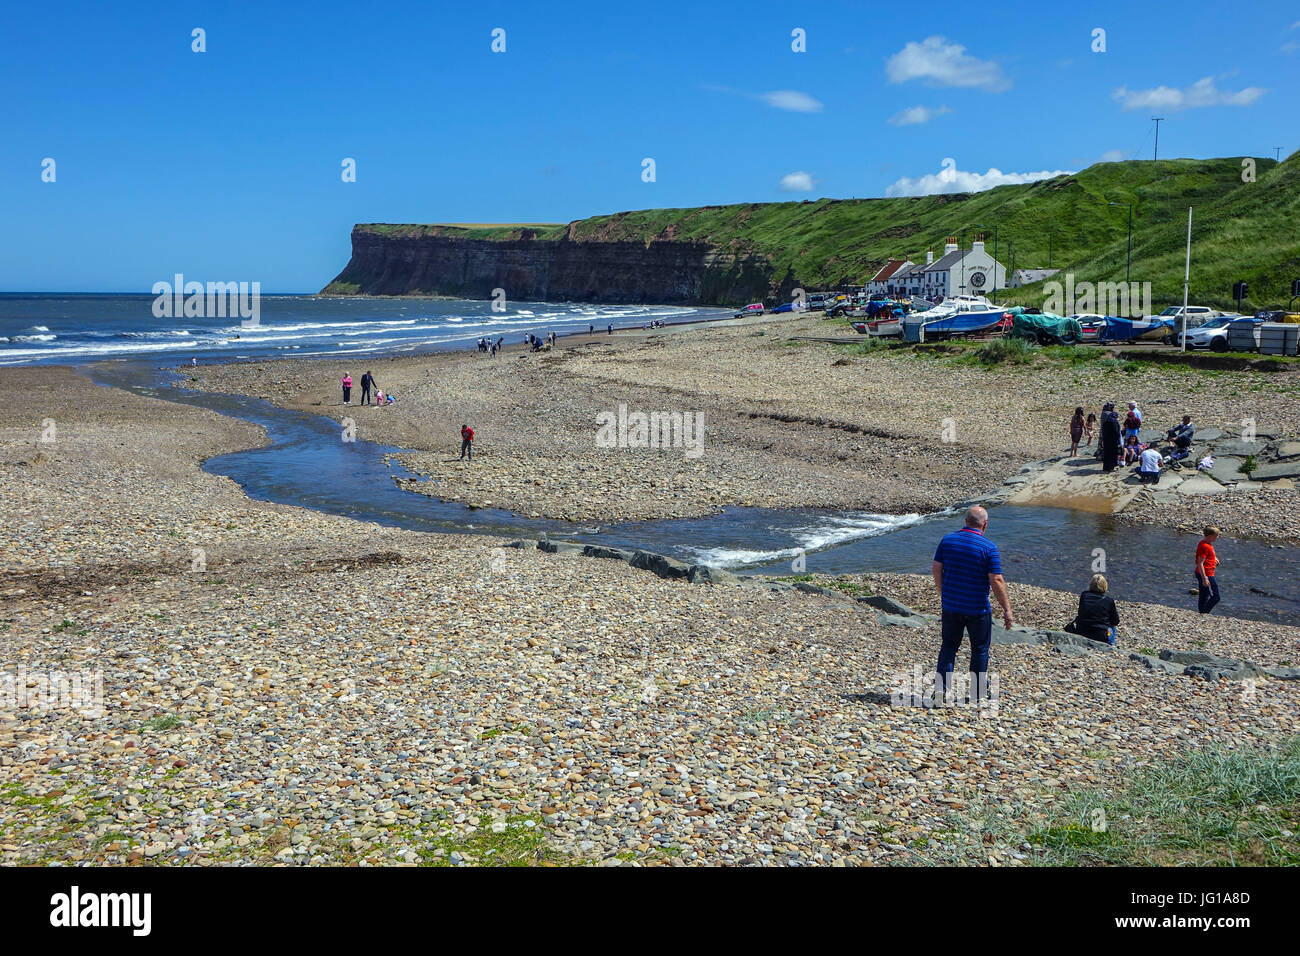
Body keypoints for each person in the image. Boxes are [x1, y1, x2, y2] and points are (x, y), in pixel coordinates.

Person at [932, 505, 1014, 704]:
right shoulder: (988, 547)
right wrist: (1006, 609)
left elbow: (936, 568)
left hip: (951, 605)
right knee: (979, 648)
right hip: (977, 608)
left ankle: (941, 690)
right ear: (984, 525)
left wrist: (943, 592)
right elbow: (996, 580)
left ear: (966, 521)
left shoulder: (947, 540)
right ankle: (977, 691)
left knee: (949, 646)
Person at [1063, 574, 1120, 645]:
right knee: (1113, 626)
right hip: (1100, 635)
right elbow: (1116, 621)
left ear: (1091, 585)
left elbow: (1082, 612)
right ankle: (1111, 644)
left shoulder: (1084, 596)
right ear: (1105, 586)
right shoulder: (1109, 601)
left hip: (1082, 631)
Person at [1196, 526, 1221, 614]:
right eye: (1216, 536)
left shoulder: (1206, 543)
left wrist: (1214, 558)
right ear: (1210, 536)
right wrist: (1204, 578)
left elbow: (1208, 555)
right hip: (1206, 574)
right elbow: (1200, 563)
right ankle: (1204, 613)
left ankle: (1201, 613)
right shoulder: (1205, 546)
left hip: (1204, 573)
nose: (1217, 537)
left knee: (1204, 595)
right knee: (1216, 597)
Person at [1100, 403, 1121, 472]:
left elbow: (1103, 431)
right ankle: (1111, 467)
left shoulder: (1106, 422)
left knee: (1106, 454)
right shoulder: (1114, 422)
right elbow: (1117, 432)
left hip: (1106, 440)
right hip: (1113, 441)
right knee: (1112, 454)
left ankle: (1106, 467)